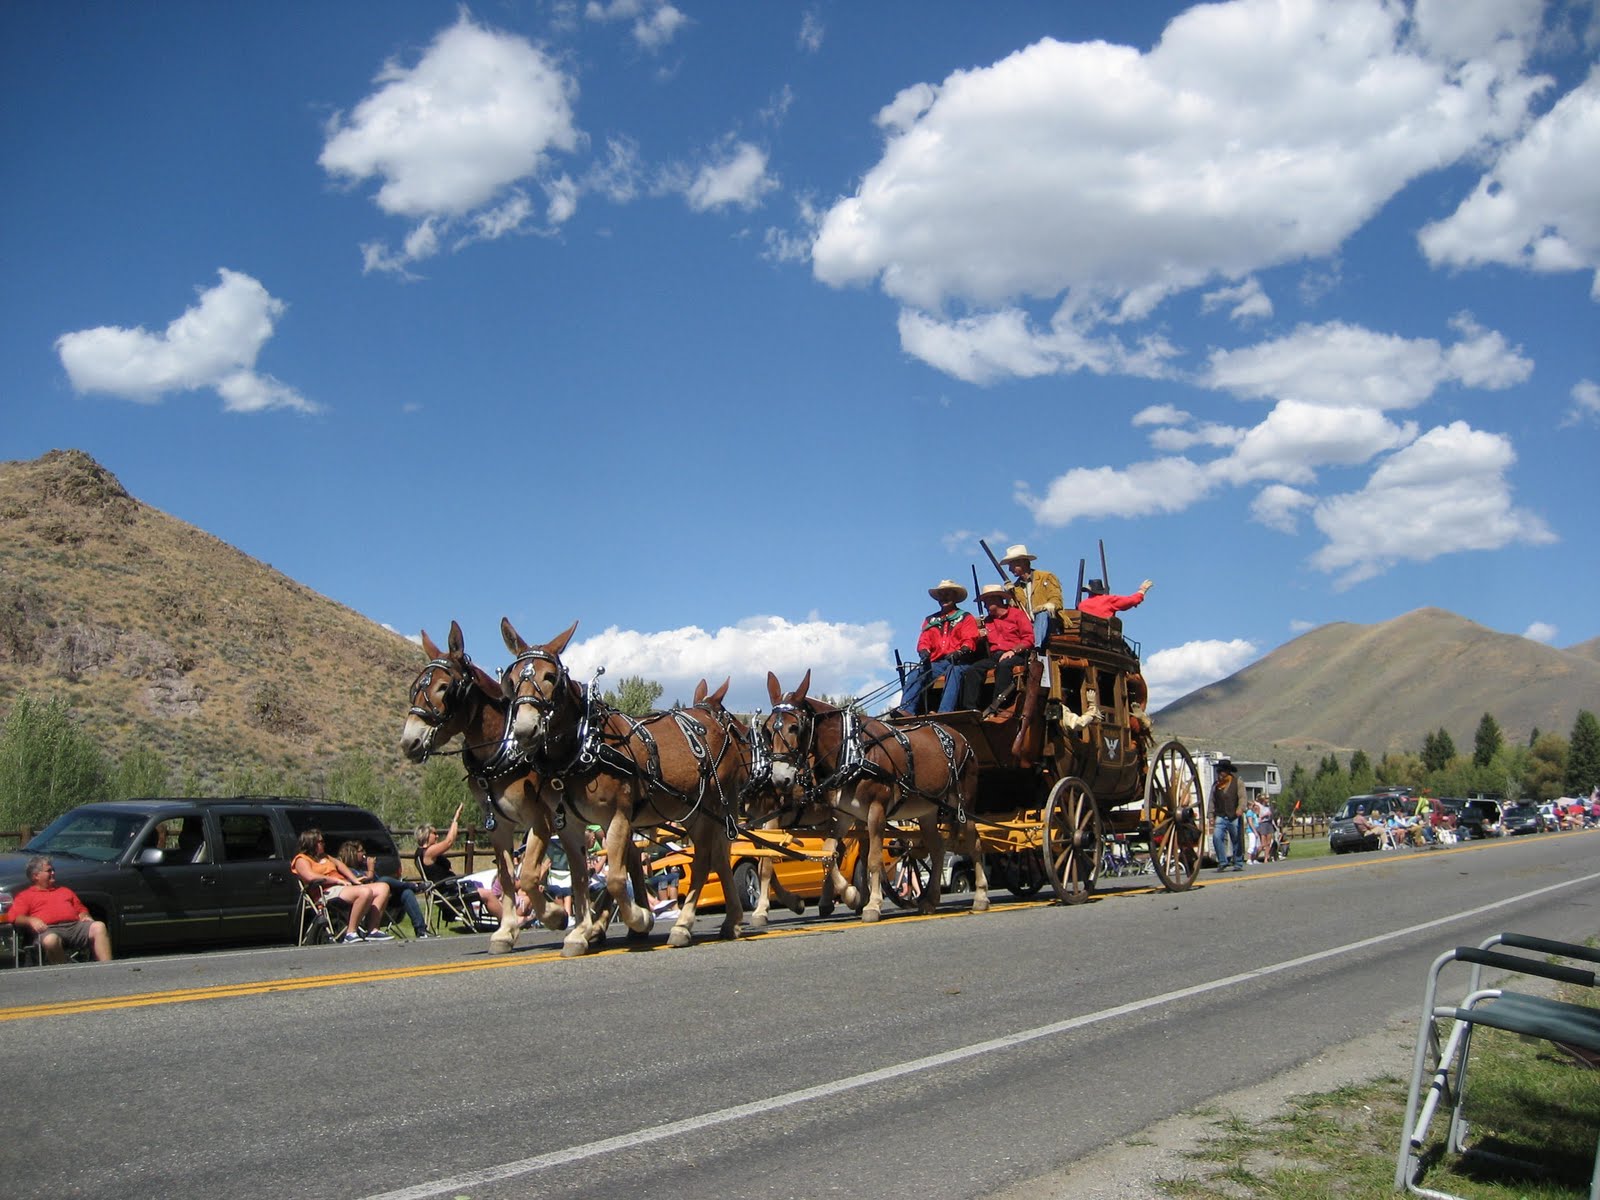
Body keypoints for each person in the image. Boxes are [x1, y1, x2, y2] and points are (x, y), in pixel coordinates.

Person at [894, 579, 981, 716]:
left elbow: (969, 640)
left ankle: (944, 711)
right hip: (936, 664)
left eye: (948, 594)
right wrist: (924, 651)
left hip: (959, 662)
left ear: (955, 597)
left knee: (954, 671)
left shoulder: (965, 618)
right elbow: (924, 640)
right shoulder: (930, 620)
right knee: (915, 673)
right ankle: (906, 710)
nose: (944, 598)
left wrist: (959, 652)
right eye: (941, 595)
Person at [291, 829, 393, 942]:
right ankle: (351, 932)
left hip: (343, 887)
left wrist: (354, 879)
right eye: (321, 841)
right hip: (326, 891)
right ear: (311, 843)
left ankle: (372, 929)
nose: (324, 844)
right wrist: (335, 880)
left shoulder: (325, 856)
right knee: (365, 892)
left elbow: (340, 865)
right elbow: (310, 877)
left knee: (383, 887)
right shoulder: (301, 859)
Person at [8, 855, 112, 963]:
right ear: (36, 876)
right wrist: (31, 920)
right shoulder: (25, 896)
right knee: (51, 940)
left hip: (73, 927)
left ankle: (106, 967)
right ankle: (64, 973)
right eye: (49, 871)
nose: (53, 873)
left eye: (53, 870)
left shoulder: (64, 891)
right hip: (48, 929)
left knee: (99, 926)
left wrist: (85, 915)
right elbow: (14, 917)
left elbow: (81, 909)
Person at [414, 805, 503, 924]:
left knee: (487, 890)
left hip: (447, 889)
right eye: (434, 833)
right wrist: (456, 819)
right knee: (488, 894)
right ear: (425, 835)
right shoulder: (427, 853)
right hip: (448, 892)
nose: (437, 836)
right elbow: (449, 841)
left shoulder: (421, 854)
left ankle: (482, 921)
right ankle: (507, 922)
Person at [960, 583, 1036, 709]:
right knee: (973, 669)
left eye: (986, 601)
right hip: (995, 656)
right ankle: (970, 709)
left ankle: (999, 706)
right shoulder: (987, 622)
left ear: (996, 599)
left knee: (1004, 666)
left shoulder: (1017, 615)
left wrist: (1013, 650)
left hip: (1017, 655)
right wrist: (979, 637)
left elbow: (1029, 638)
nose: (984, 605)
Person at [338, 840, 432, 938]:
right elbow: (362, 881)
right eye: (361, 851)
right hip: (365, 903)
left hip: (381, 901)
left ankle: (421, 930)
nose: (364, 853)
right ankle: (414, 886)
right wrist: (371, 869)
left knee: (406, 893)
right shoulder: (348, 870)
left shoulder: (363, 867)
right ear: (352, 854)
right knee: (384, 880)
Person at [1000, 544, 1064, 642]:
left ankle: (1037, 646)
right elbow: (1015, 611)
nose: (1009, 569)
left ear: (1021, 562)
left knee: (1042, 613)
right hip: (1029, 627)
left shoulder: (1046, 577)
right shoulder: (1015, 588)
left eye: (1011, 565)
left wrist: (1047, 606)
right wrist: (1009, 596)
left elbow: (1056, 600)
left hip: (1051, 624)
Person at [1211, 759, 1245, 871]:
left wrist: (1240, 808)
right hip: (1220, 815)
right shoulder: (1216, 786)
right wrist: (1211, 816)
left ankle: (1238, 862)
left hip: (1234, 815)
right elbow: (1212, 801)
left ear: (1228, 771)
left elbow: (1242, 797)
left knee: (1236, 839)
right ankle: (1222, 861)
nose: (1220, 773)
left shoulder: (1238, 782)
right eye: (1219, 771)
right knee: (1216, 837)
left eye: (1222, 771)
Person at [1078, 577, 1153, 620]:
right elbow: (1131, 600)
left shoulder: (1081, 605)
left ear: (1088, 591)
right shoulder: (1108, 600)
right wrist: (1142, 590)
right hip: (1104, 636)